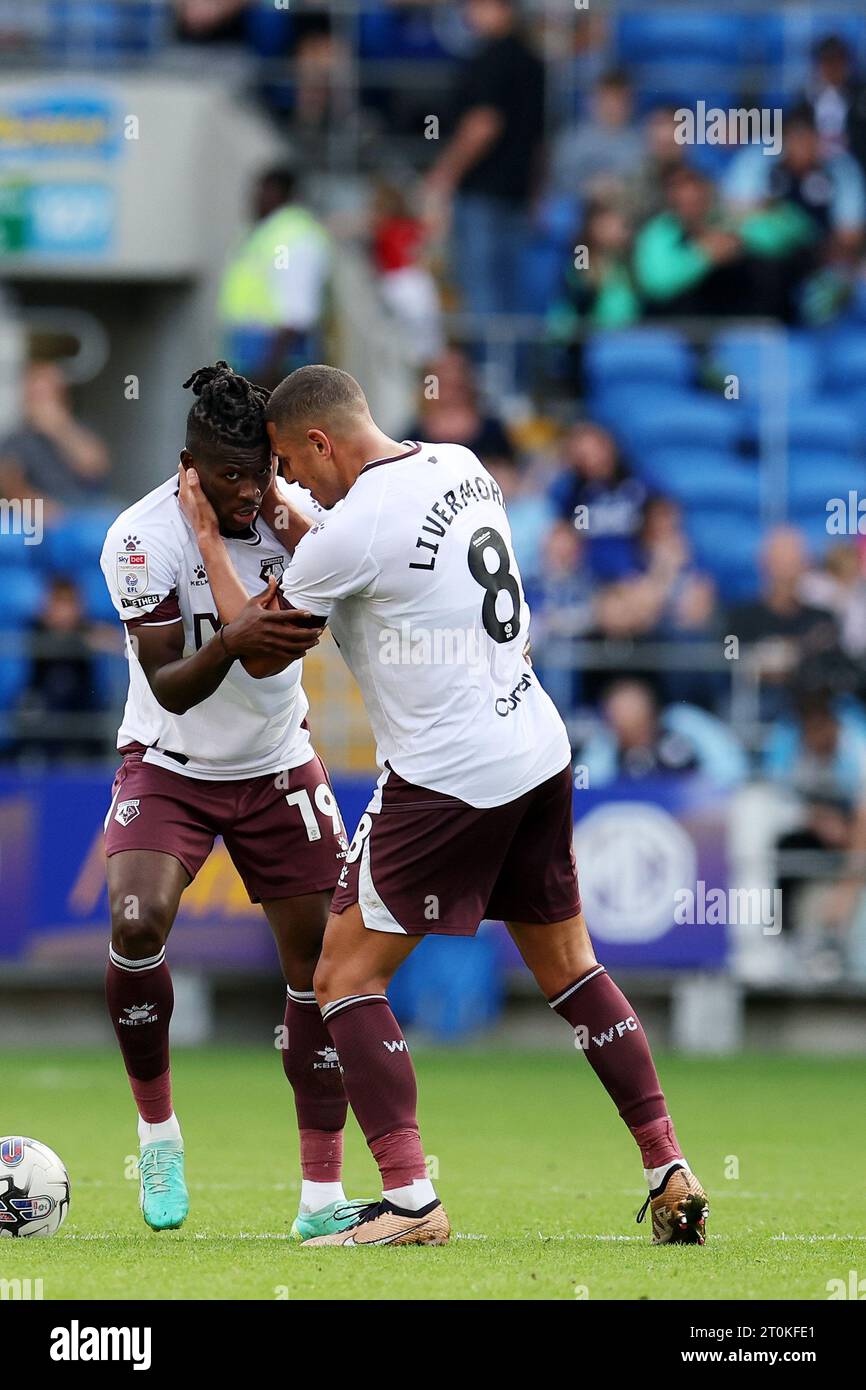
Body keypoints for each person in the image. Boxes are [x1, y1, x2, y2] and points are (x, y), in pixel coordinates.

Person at [187, 364, 709, 1249]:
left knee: (343, 979)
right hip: (537, 748)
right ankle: (670, 1168)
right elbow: (352, 539)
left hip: (447, 775)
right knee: (572, 969)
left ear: (319, 443)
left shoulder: (347, 533)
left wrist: (207, 536)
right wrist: (283, 507)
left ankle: (410, 1202)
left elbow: (262, 649)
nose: (289, 484)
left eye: (288, 464)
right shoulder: (461, 464)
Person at [98, 362, 365, 1241]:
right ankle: (159, 1132)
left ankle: (321, 1198)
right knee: (136, 922)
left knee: (321, 971)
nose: (250, 490)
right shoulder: (139, 540)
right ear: (188, 466)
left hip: (277, 764)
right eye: (229, 476)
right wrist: (238, 622)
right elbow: (170, 686)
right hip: (170, 760)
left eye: (263, 470)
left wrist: (245, 614)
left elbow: (268, 657)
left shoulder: (300, 526)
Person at [423, 0, 544, 318]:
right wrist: (536, 195)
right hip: (518, 196)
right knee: (512, 298)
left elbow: (483, 125)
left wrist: (445, 173)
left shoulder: (490, 58)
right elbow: (541, 142)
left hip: (483, 196)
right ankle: (512, 367)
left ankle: (490, 367)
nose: (468, 13)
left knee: (480, 294)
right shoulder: (534, 61)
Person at [217, 167, 332, 389]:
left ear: (280, 193)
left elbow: (297, 316)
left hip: (276, 364)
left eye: (263, 189)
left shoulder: (296, 237)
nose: (256, 196)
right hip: (250, 357)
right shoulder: (262, 232)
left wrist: (266, 377)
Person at [0, 361, 111, 512]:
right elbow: (10, 485)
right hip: (35, 510)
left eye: (46, 395)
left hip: (84, 508)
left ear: (63, 398)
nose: (40, 402)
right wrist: (40, 508)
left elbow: (95, 469)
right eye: (35, 395)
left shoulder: (79, 430)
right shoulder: (16, 438)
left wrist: (60, 430)